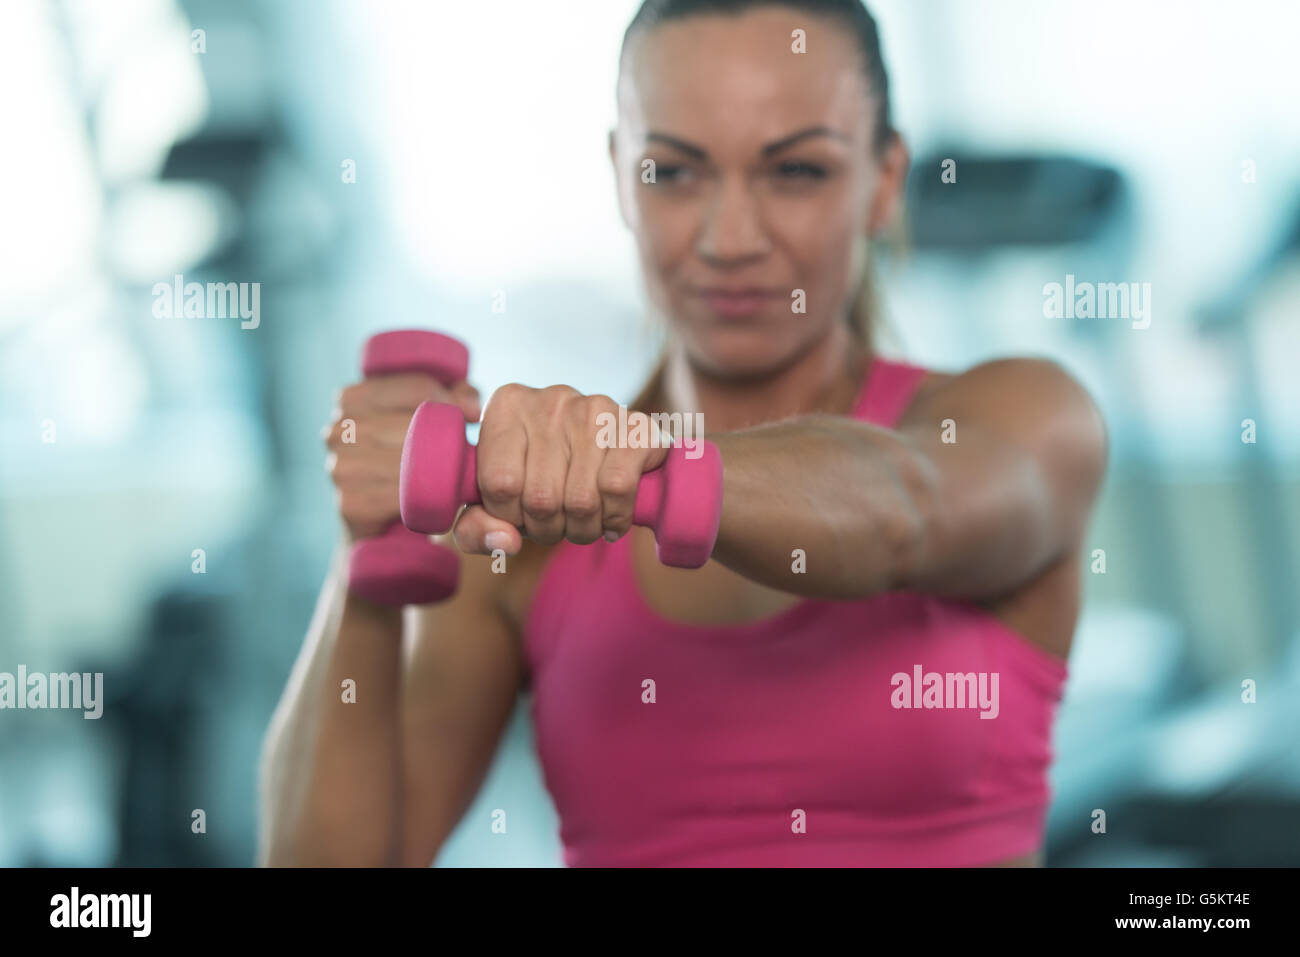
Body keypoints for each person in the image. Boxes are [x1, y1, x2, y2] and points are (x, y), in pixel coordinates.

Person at [259, 0, 1108, 867]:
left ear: (886, 180)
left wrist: (632, 468)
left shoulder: (1025, 416)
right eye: (675, 172)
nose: (728, 238)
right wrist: (371, 556)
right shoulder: (523, 527)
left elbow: (902, 505)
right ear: (620, 174)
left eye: (797, 172)